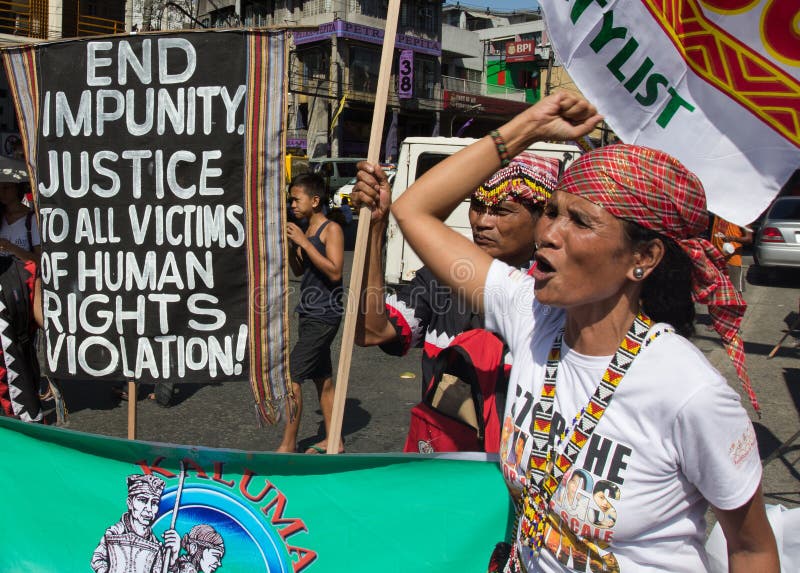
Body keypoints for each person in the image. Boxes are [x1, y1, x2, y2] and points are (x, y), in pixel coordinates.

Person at [386, 92, 778, 572]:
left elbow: (752, 549)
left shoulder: (689, 392)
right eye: (551, 212)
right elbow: (414, 210)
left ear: (643, 258)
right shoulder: (528, 313)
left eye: (581, 221)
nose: (549, 233)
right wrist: (528, 126)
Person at [352, 152, 560, 394]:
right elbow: (372, 331)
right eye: (477, 206)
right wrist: (376, 226)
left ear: (542, 218)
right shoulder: (444, 276)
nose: (482, 221)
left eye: (501, 211)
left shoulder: (557, 293)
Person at [277, 172, 345, 454]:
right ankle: (334, 440)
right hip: (309, 311)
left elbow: (335, 270)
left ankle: (288, 444)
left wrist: (304, 244)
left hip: (325, 314)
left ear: (315, 200)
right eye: (290, 200)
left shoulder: (332, 230)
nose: (292, 204)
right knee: (323, 380)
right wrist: (294, 247)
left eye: (296, 199)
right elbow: (299, 271)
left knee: (291, 378)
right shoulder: (306, 231)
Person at [91, 474, 180, 573]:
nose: (149, 509)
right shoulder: (114, 533)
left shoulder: (156, 544)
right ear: (130, 503)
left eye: (154, 503)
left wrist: (172, 558)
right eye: (143, 500)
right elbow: (97, 559)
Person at [711, 215, 753, 293]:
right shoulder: (718, 214)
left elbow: (749, 239)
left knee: (735, 292)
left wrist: (732, 238)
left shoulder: (743, 217)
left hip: (732, 260)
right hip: (716, 258)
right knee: (717, 291)